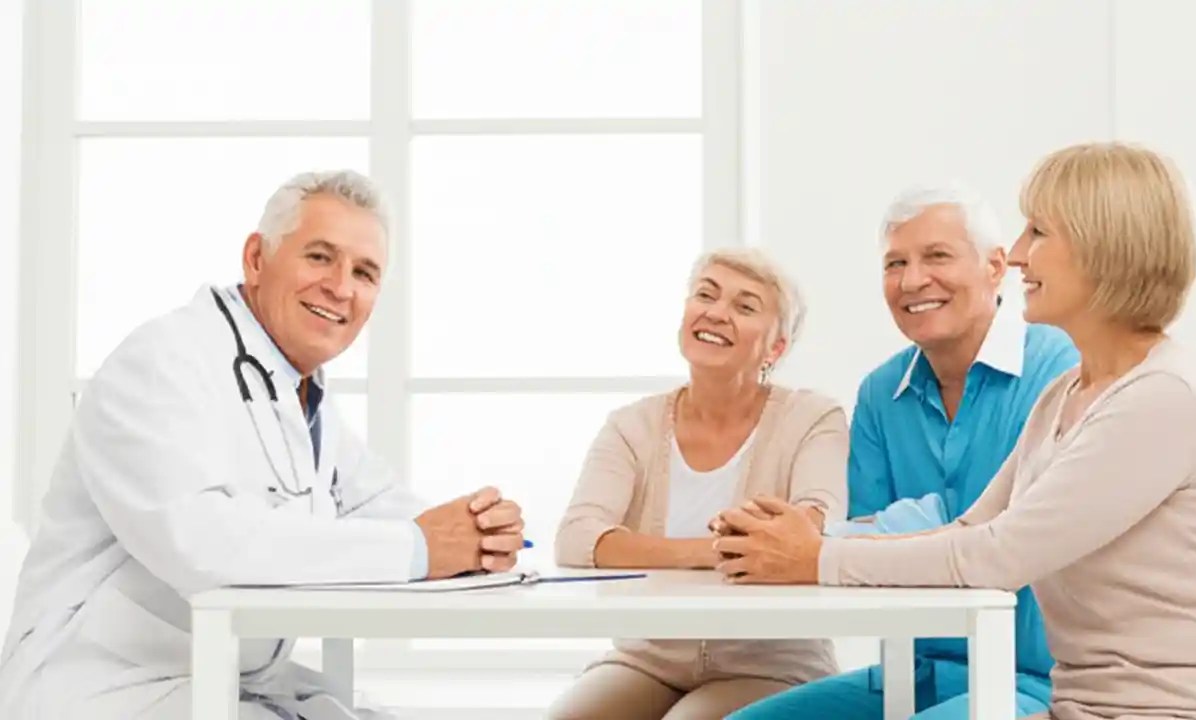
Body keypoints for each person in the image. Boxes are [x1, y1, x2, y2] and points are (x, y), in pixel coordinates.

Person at [717, 143, 1196, 719]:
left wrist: (815, 559)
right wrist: (812, 546)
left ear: (1105, 247)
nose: (1015, 255)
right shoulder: (1065, 398)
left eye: (1038, 231)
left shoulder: (1164, 397)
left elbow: (998, 555)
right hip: (1084, 704)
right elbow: (972, 526)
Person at [0, 170, 527, 719]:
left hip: (217, 677)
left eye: (364, 272)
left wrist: (477, 532)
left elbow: (375, 502)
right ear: (256, 257)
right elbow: (204, 546)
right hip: (101, 686)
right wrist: (419, 548)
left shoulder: (295, 391)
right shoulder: (163, 363)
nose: (341, 287)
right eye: (320, 257)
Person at [729, 184, 1078, 719]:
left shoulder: (1058, 367)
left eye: (937, 256)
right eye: (896, 263)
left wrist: (839, 545)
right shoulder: (879, 393)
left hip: (1032, 677)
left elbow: (1012, 543)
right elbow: (868, 538)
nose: (913, 280)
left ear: (994, 266)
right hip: (909, 674)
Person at [547, 248, 849, 720]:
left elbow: (815, 523)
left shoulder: (813, 419)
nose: (715, 312)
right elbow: (577, 538)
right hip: (650, 656)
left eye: (744, 306)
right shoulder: (632, 425)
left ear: (776, 348)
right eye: (705, 295)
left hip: (770, 662)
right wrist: (712, 552)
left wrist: (633, 547)